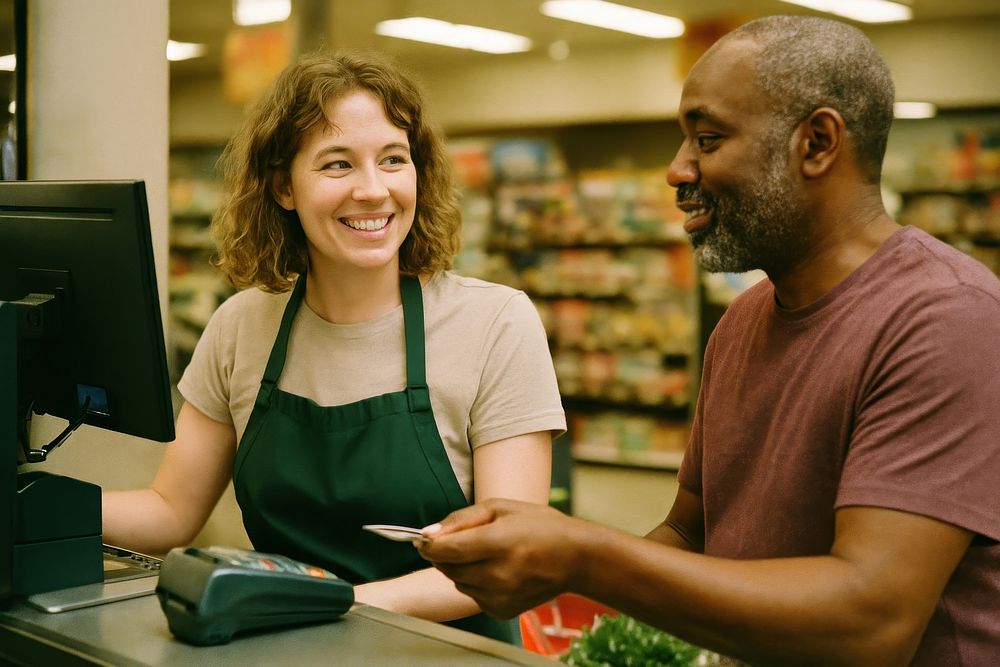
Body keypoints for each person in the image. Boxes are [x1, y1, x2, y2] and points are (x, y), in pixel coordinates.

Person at [418, 15, 1000, 665]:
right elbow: (688, 535)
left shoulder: (947, 320)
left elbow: (870, 621)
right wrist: (539, 559)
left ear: (817, 142)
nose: (676, 169)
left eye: (708, 138)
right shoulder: (743, 322)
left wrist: (582, 552)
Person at [102, 50, 566, 643]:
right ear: (283, 188)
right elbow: (169, 511)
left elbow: (506, 561)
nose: (373, 191)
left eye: (393, 160)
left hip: (447, 654)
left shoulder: (495, 323)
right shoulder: (242, 326)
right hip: (282, 645)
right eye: (337, 164)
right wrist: (34, 504)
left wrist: (321, 603)